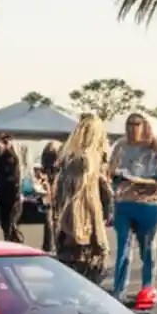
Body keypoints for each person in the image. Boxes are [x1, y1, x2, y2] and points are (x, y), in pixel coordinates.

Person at [108, 112, 157, 307]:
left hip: (148, 203)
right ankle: (119, 291)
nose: (131, 128)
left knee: (148, 248)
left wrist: (136, 181)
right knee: (123, 248)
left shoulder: (154, 147)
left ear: (144, 126)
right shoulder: (120, 146)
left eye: (136, 124)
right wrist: (116, 179)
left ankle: (147, 287)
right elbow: (109, 171)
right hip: (124, 202)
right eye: (128, 124)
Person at [52, 114, 114, 284]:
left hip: (70, 229)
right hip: (83, 230)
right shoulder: (86, 160)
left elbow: (60, 197)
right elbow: (87, 199)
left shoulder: (68, 159)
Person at [0, 133, 24, 242]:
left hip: (13, 189)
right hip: (4, 189)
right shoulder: (0, 153)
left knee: (12, 216)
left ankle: (13, 234)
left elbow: (13, 168)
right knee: (5, 217)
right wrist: (0, 151)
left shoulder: (13, 153)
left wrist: (7, 149)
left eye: (6, 141)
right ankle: (9, 235)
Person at [36, 141, 60, 252]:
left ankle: (49, 245)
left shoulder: (46, 173)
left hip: (50, 195)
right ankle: (52, 245)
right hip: (53, 195)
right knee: (52, 219)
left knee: (50, 219)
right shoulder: (56, 173)